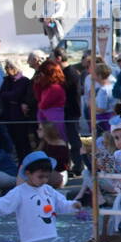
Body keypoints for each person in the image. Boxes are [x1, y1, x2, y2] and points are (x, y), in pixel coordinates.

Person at [53, 47, 84, 176]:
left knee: (74, 141)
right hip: (66, 113)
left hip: (70, 113)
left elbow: (69, 95)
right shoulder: (66, 73)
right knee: (68, 141)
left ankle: (79, 165)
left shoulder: (70, 73)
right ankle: (71, 165)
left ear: (58, 58)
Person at [31, 58, 67, 144]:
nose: (41, 75)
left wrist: (40, 105)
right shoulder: (47, 86)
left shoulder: (55, 88)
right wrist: (37, 85)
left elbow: (43, 104)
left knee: (57, 142)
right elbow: (39, 98)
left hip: (54, 120)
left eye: (42, 73)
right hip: (48, 119)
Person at [37, 122, 71, 188]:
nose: (37, 131)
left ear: (47, 131)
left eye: (40, 129)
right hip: (45, 173)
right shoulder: (43, 143)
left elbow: (62, 166)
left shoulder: (61, 145)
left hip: (59, 174)